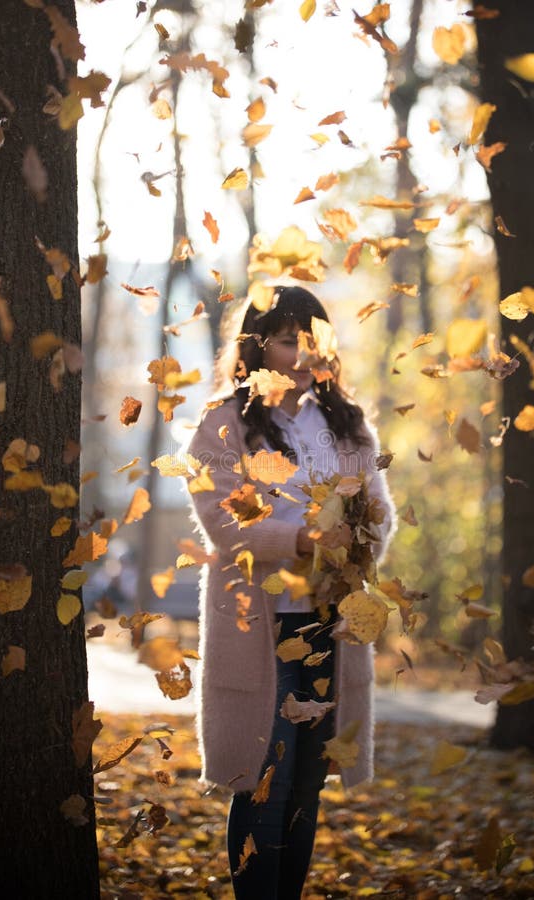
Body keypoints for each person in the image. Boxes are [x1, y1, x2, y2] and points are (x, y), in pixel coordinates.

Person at [184, 285, 396, 899]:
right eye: (285, 340)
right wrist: (302, 540)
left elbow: (376, 515)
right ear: (255, 348)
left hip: (328, 625)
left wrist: (353, 549)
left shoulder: (348, 427)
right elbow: (223, 520)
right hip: (260, 625)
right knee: (263, 780)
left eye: (311, 340)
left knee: (306, 783)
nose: (301, 355)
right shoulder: (224, 424)